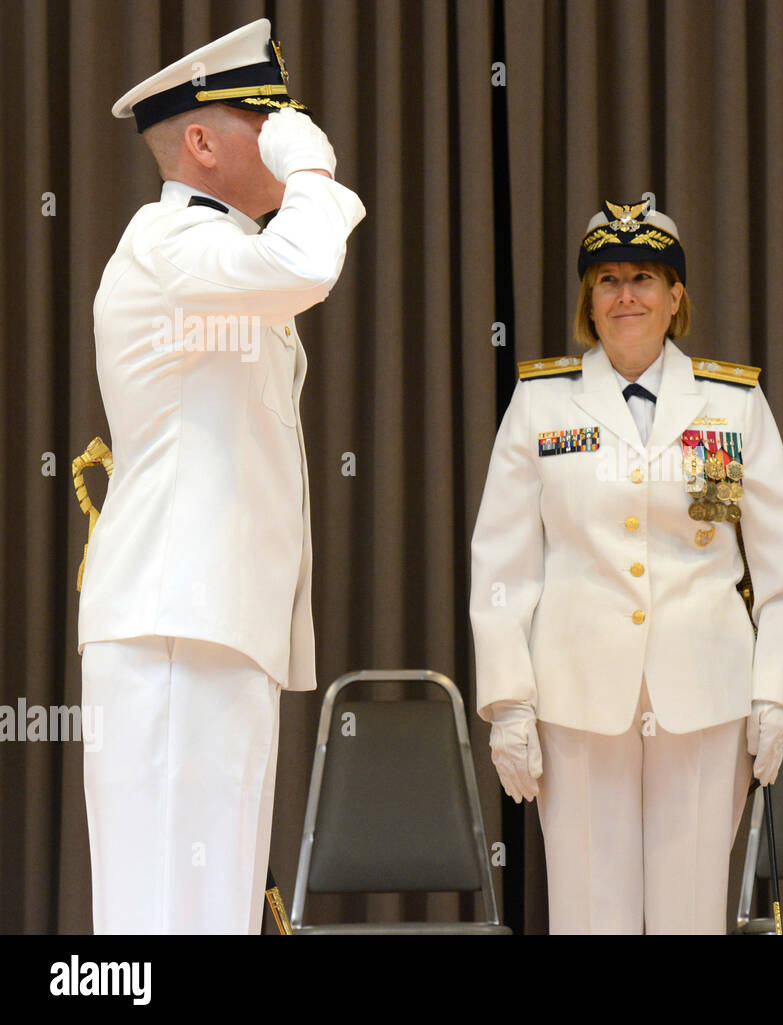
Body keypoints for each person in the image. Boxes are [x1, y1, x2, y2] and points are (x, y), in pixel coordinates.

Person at [78, 19, 365, 933]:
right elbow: (310, 260)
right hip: (177, 620)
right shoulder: (168, 241)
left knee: (216, 907)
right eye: (267, 119)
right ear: (200, 141)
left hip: (220, 623)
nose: (288, 132)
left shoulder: (223, 255)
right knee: (165, 912)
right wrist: (313, 169)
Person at [469, 200, 783, 933]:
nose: (625, 295)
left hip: (705, 694)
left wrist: (778, 691)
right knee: (590, 914)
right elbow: (502, 564)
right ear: (588, 302)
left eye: (645, 278)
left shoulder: (731, 401)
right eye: (607, 280)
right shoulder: (541, 402)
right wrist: (508, 700)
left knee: (690, 914)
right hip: (578, 697)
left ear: (675, 297)